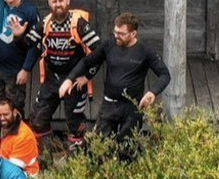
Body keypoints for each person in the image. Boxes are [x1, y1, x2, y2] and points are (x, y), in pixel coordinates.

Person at [63, 13, 171, 159]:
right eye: (115, 32)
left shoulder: (145, 50)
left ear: (133, 33)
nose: (116, 36)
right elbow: (87, 62)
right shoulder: (109, 45)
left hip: (132, 106)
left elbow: (165, 74)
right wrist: (69, 79)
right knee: (99, 146)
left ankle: (126, 176)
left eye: (121, 33)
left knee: (127, 148)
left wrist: (152, 92)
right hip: (109, 104)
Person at [12, 0, 100, 150]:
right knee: (37, 120)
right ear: (49, 3)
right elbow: (26, 45)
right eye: (54, 1)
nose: (58, 4)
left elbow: (99, 50)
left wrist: (87, 76)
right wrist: (19, 35)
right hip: (52, 79)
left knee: (75, 125)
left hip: (74, 82)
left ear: (68, 1)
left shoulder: (79, 23)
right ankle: (52, 152)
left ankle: (77, 163)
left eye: (61, 0)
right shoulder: (44, 24)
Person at [0, 97, 40, 176]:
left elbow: (11, 169)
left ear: (14, 113)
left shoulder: (24, 135)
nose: (2, 118)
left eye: (6, 114)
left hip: (23, 175)